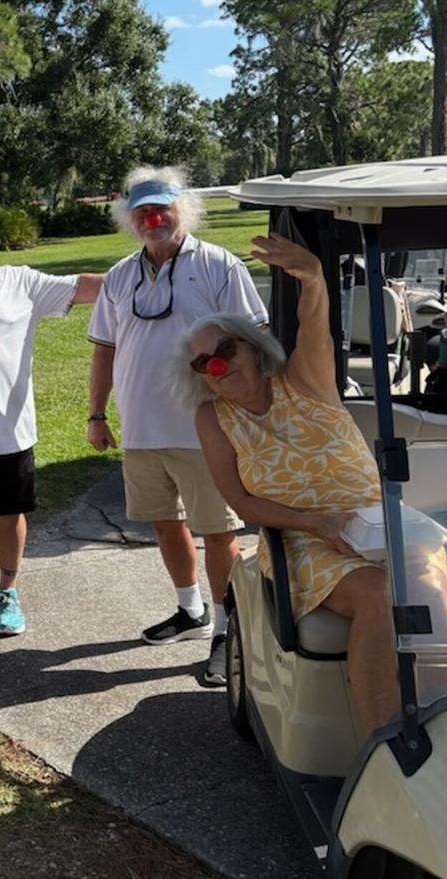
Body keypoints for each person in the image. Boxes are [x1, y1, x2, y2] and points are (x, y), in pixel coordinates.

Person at [177, 233, 402, 732]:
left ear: (254, 350)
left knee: (432, 587)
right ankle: (382, 747)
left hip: (379, 526)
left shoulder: (306, 381)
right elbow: (240, 500)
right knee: (376, 590)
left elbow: (314, 327)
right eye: (203, 363)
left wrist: (314, 278)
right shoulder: (213, 418)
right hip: (303, 542)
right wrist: (313, 522)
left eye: (226, 349)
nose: (217, 364)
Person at [87, 166, 269, 686]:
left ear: (181, 209)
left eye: (161, 209)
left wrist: (248, 407)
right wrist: (97, 414)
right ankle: (191, 611)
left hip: (206, 430)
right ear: (130, 219)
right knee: (164, 522)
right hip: (142, 429)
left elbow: (252, 342)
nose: (152, 219)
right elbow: (104, 351)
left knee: (219, 531)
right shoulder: (121, 276)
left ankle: (226, 632)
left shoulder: (218, 265)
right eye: (142, 212)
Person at [0, 198, 102, 636]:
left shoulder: (21, 282)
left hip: (8, 426)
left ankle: (7, 590)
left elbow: (86, 287)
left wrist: (150, 272)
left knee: (10, 513)